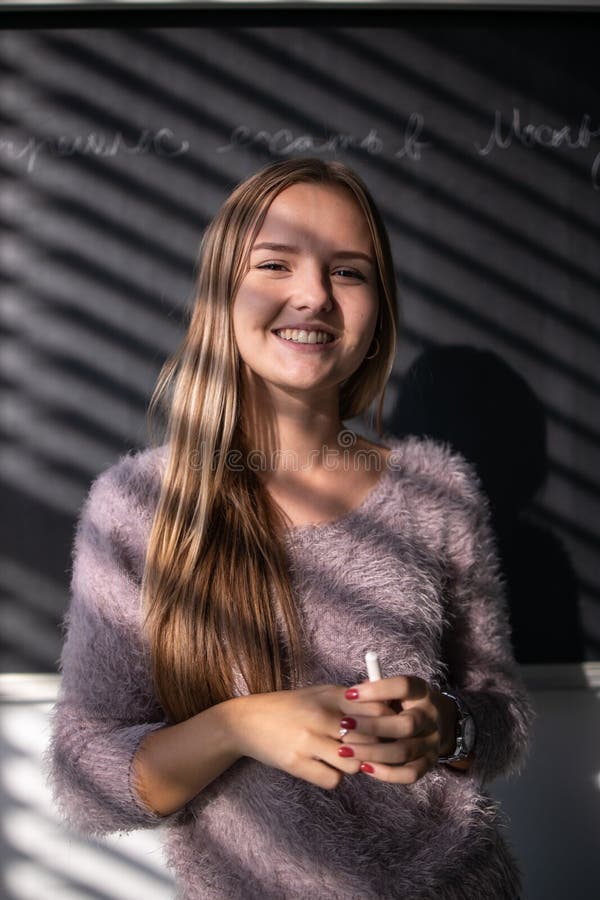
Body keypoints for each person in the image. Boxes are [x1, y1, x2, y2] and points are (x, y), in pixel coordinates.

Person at [46, 157, 533, 899]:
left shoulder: (437, 490)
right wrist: (238, 726)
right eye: (275, 263)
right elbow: (85, 778)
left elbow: (500, 715)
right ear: (222, 292)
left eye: (349, 272)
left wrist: (447, 726)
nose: (314, 295)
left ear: (379, 310)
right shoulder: (140, 506)